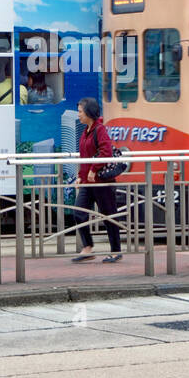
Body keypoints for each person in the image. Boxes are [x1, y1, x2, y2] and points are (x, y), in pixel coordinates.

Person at [72, 97, 123, 264]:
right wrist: (81, 175)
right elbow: (84, 156)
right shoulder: (86, 131)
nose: (78, 114)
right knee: (79, 213)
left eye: (80, 111)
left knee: (109, 216)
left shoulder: (99, 129)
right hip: (88, 183)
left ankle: (116, 250)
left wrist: (94, 169)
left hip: (101, 182)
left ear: (89, 113)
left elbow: (106, 152)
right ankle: (88, 248)